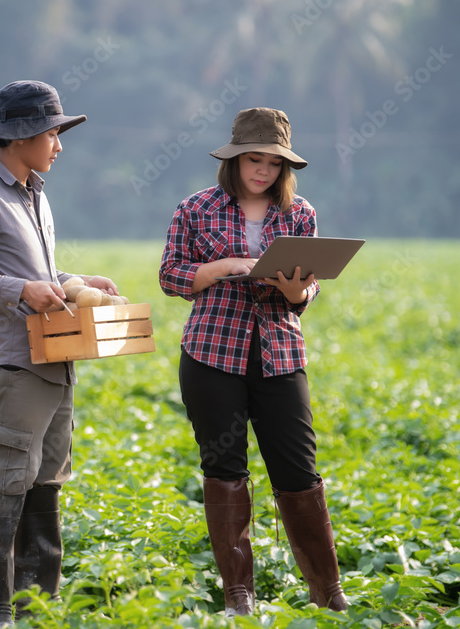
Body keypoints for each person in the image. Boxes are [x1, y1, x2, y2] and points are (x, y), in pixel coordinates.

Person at [0, 80, 117, 627]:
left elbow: (38, 278)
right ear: (23, 137)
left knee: (45, 482)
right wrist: (18, 290)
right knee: (4, 480)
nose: (59, 145)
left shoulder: (35, 193)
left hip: (56, 362)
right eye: (54, 133)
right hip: (16, 366)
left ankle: (39, 604)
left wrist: (75, 281)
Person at [159, 107, 347, 616]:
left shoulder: (300, 213)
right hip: (211, 353)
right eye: (253, 160)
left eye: (273, 163)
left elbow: (308, 289)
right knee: (224, 467)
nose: (262, 171)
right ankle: (238, 594)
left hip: (279, 355)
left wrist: (296, 290)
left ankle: (328, 593)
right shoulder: (195, 209)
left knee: (299, 471)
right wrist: (220, 267)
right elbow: (172, 277)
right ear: (235, 160)